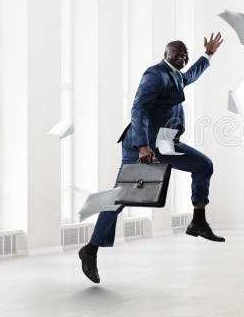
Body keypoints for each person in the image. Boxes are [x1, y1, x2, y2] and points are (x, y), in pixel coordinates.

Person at [78, 33, 225, 284]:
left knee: (203, 165)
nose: (182, 57)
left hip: (166, 142)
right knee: (120, 196)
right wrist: (143, 145)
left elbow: (190, 76)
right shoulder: (154, 74)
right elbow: (139, 108)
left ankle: (198, 221)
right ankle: (90, 249)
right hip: (142, 144)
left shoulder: (177, 74)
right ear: (165, 54)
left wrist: (208, 55)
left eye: (185, 54)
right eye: (177, 54)